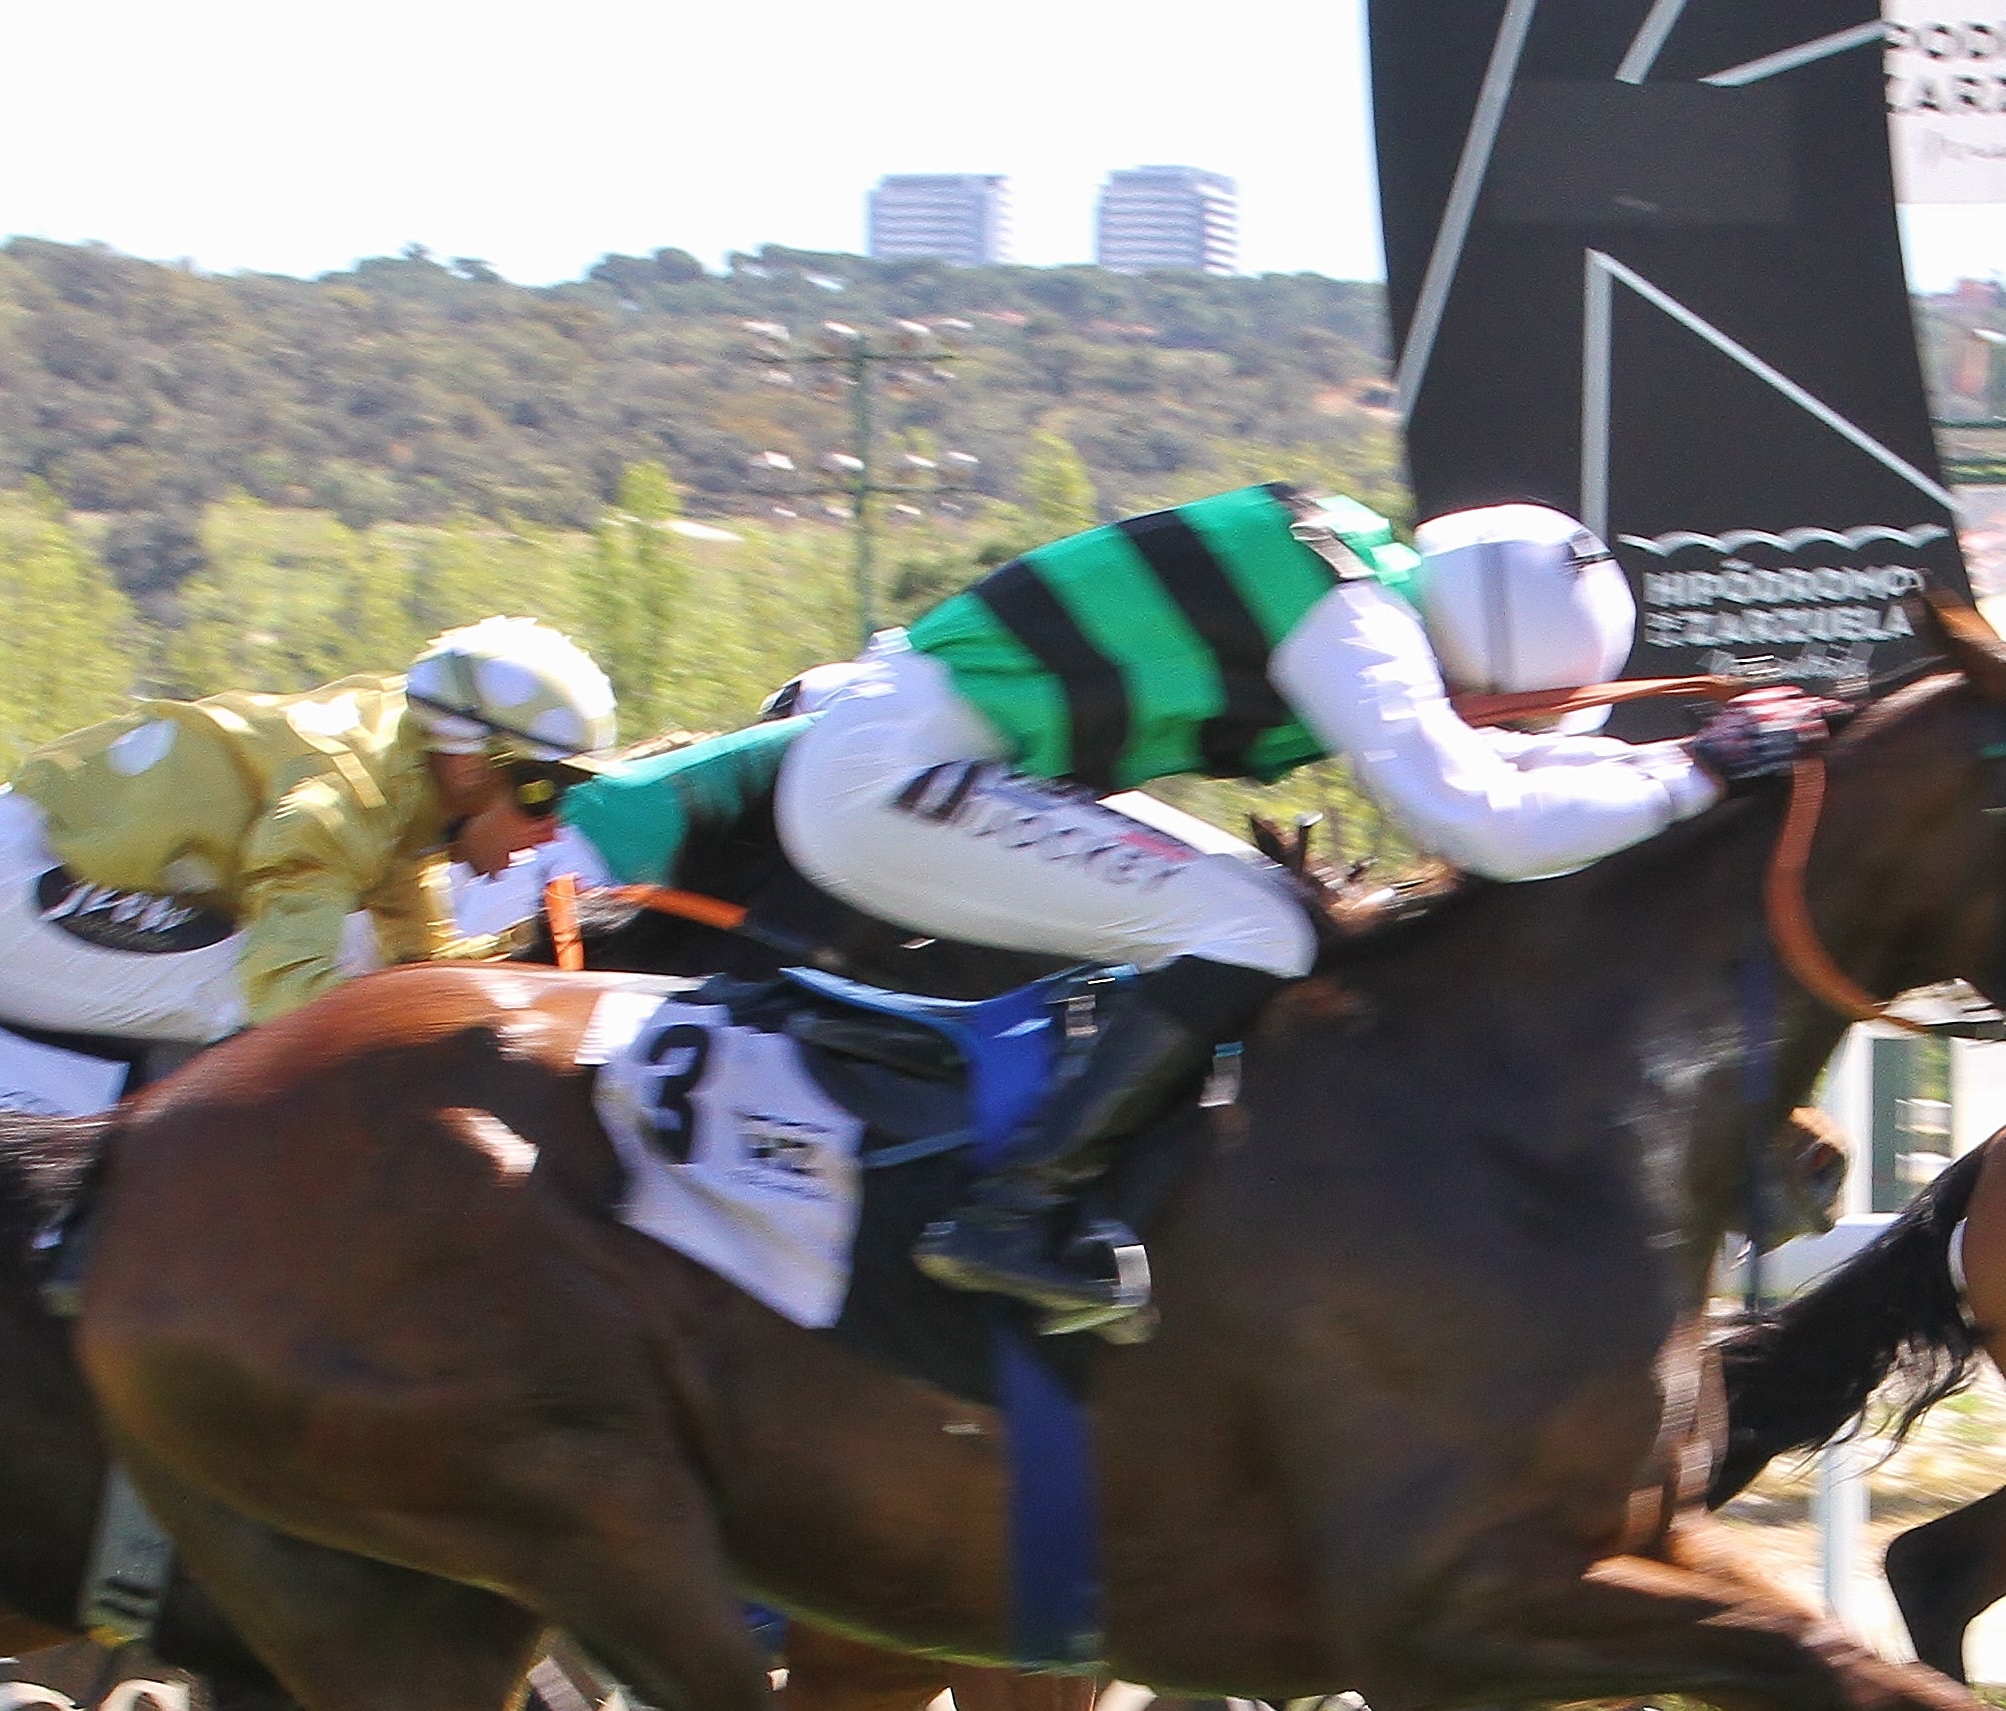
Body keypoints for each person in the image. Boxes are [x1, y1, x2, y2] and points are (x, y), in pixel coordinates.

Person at [761, 483, 1829, 1336]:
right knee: (1256, 929)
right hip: (883, 781)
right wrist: (1698, 770)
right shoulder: (1351, 618)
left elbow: (1493, 771)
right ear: (1480, 659)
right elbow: (1483, 816)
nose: (1499, 721)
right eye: (1509, 702)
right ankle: (1012, 1210)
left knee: (1277, 919)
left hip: (930, 757)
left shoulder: (1367, 576)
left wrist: (1686, 765)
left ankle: (1101, 1186)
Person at [0, 618, 616, 1044]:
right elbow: (285, 997)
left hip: (54, 851)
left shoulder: (407, 775)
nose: (552, 828)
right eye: (540, 791)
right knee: (306, 997)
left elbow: (421, 963)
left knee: (367, 969)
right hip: (9, 893)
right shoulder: (343, 801)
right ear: (468, 766)